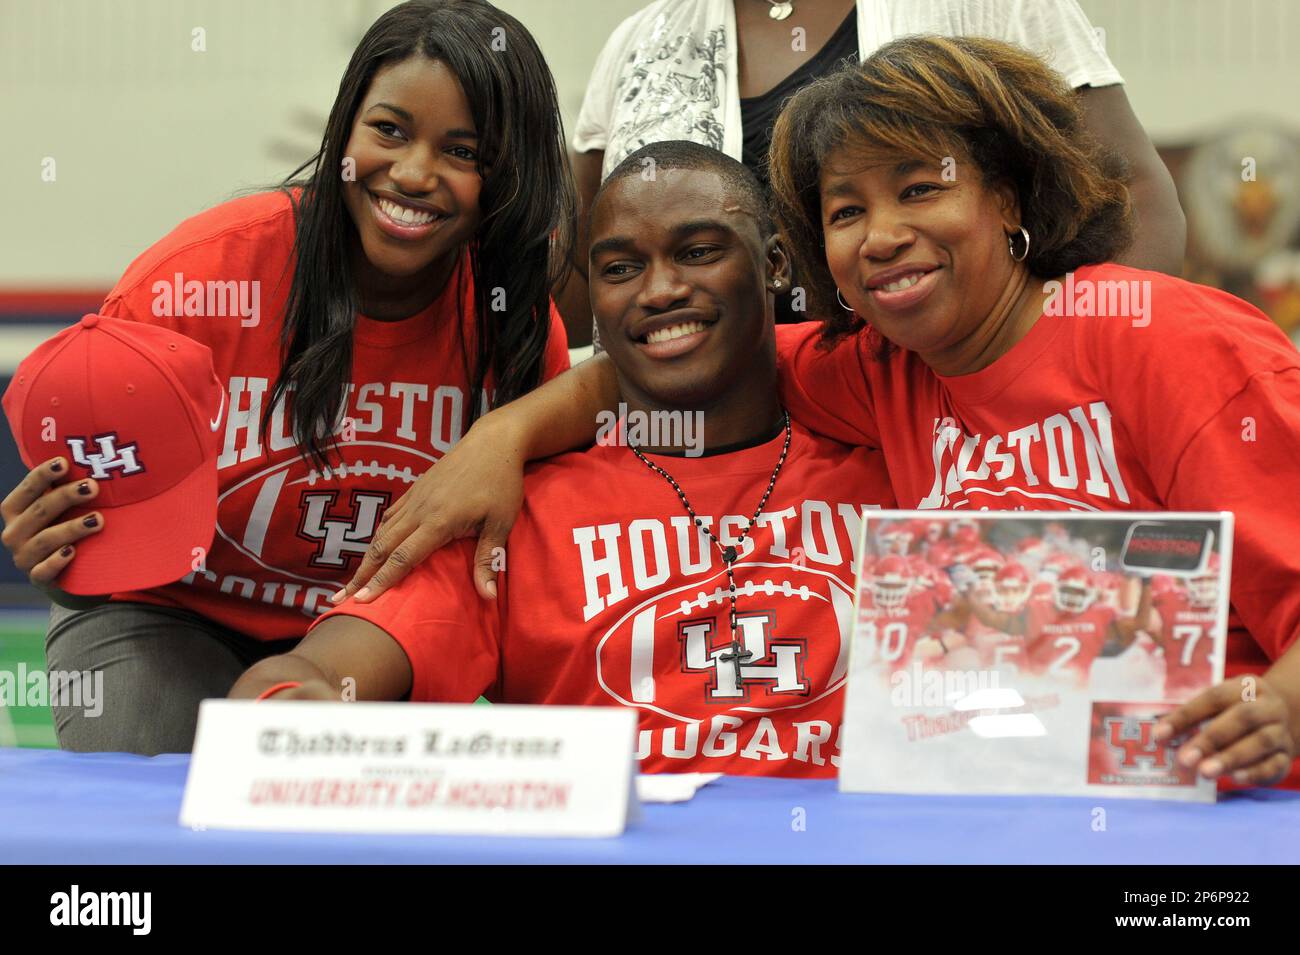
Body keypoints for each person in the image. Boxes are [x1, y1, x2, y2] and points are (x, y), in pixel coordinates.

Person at [344, 38, 1300, 789]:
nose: (883, 237)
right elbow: (667, 356)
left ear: (1007, 195)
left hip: (1214, 803)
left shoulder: (1163, 339)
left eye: (920, 189)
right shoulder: (883, 370)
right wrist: (502, 433)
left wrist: (1282, 704)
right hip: (1004, 800)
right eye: (846, 213)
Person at [0, 0, 574, 755]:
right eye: (389, 130)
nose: (411, 172)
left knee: (323, 814)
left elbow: (515, 572)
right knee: (159, 796)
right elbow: (87, 547)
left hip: (371, 636)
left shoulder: (517, 328)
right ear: (344, 131)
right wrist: (61, 557)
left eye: (462, 151)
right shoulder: (196, 281)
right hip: (170, 616)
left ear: (510, 176)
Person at [230, 142, 895, 777]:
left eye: (696, 252)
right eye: (619, 268)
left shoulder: (897, 463)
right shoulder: (513, 515)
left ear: (775, 263)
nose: (659, 290)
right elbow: (305, 675)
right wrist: (293, 708)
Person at [555, 0, 1186, 344]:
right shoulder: (639, 44)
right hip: (713, 448)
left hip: (952, 424)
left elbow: (1134, 195)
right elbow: (580, 267)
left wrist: (1056, 376)